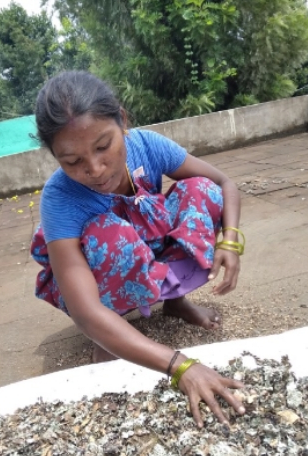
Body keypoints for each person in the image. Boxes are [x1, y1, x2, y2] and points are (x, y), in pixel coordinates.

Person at [29, 71, 247, 427]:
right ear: (54, 156)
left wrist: (231, 240)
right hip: (104, 271)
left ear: (123, 121)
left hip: (149, 243)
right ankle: (109, 335)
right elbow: (84, 310)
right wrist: (181, 367)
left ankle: (175, 302)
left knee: (201, 190)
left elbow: (224, 183)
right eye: (72, 161)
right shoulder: (59, 199)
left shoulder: (147, 146)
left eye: (103, 146)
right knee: (112, 235)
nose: (95, 169)